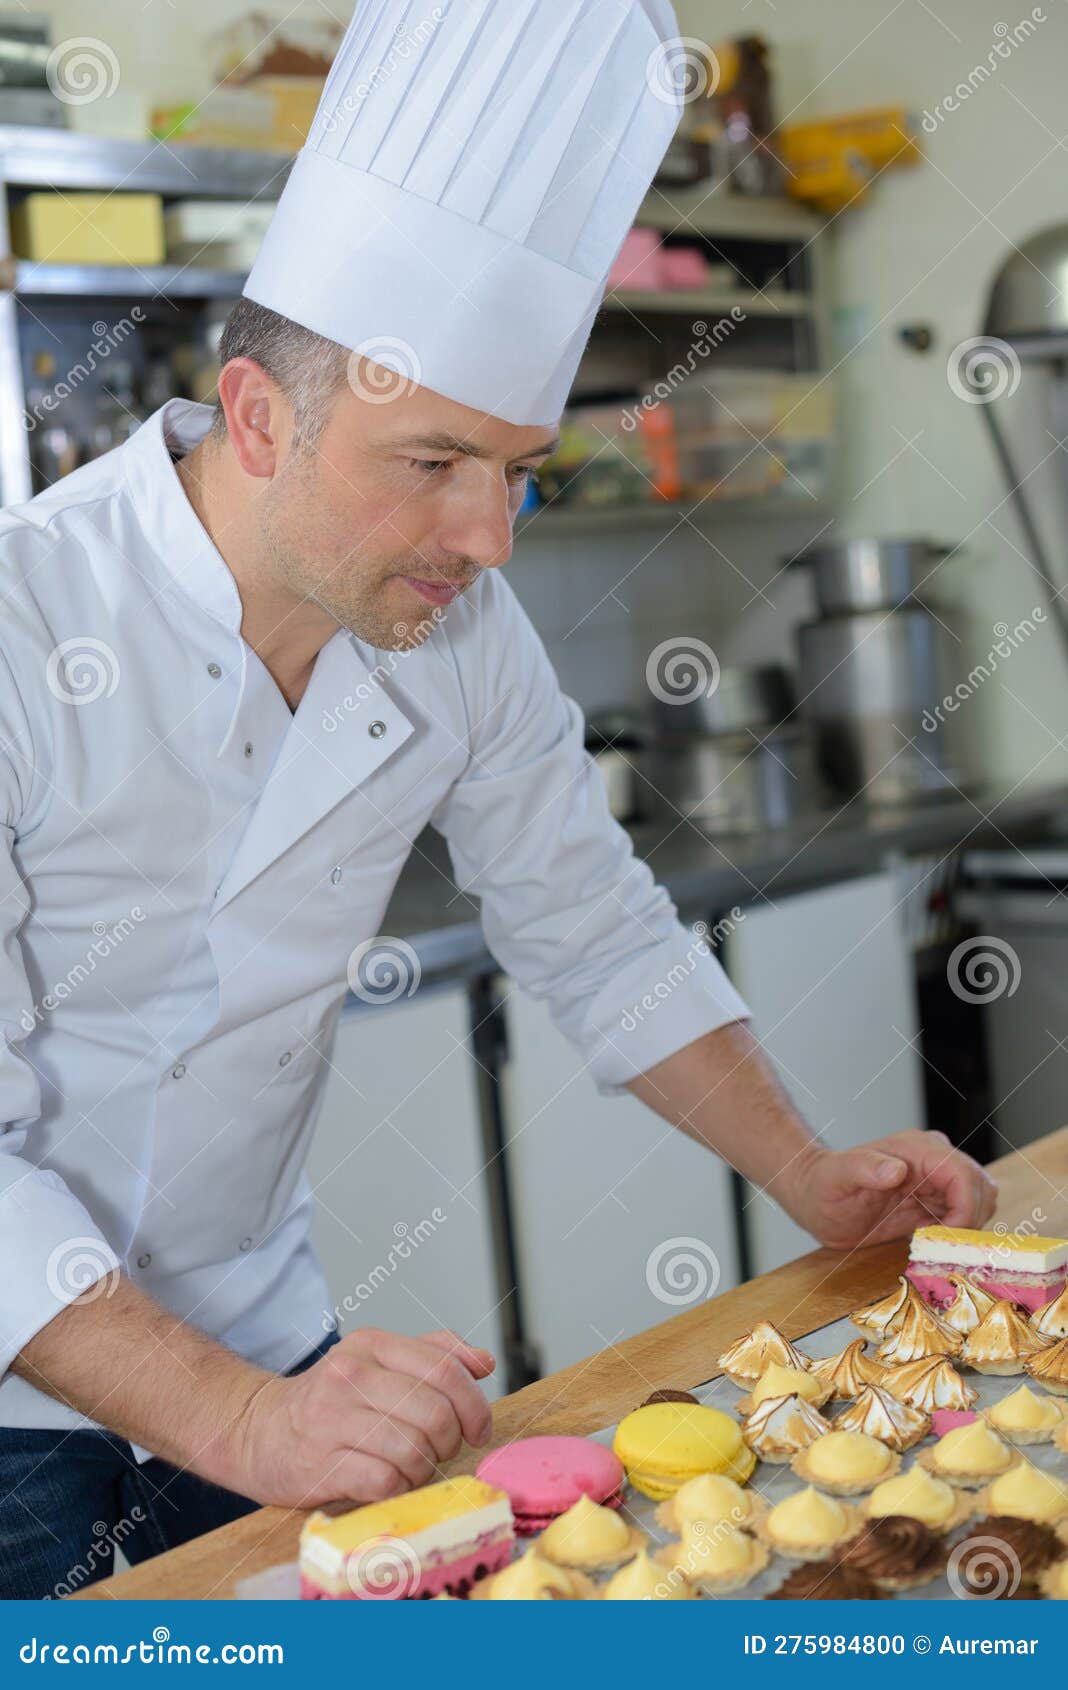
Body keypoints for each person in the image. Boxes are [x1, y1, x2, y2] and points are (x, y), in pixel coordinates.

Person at [0, 0, 994, 1599]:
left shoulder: (451, 627)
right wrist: (240, 1418)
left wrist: (807, 1172)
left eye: (519, 468)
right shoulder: (26, 625)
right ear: (259, 419)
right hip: (23, 1407)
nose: (492, 535)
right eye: (437, 461)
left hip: (275, 1352)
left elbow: (595, 929)